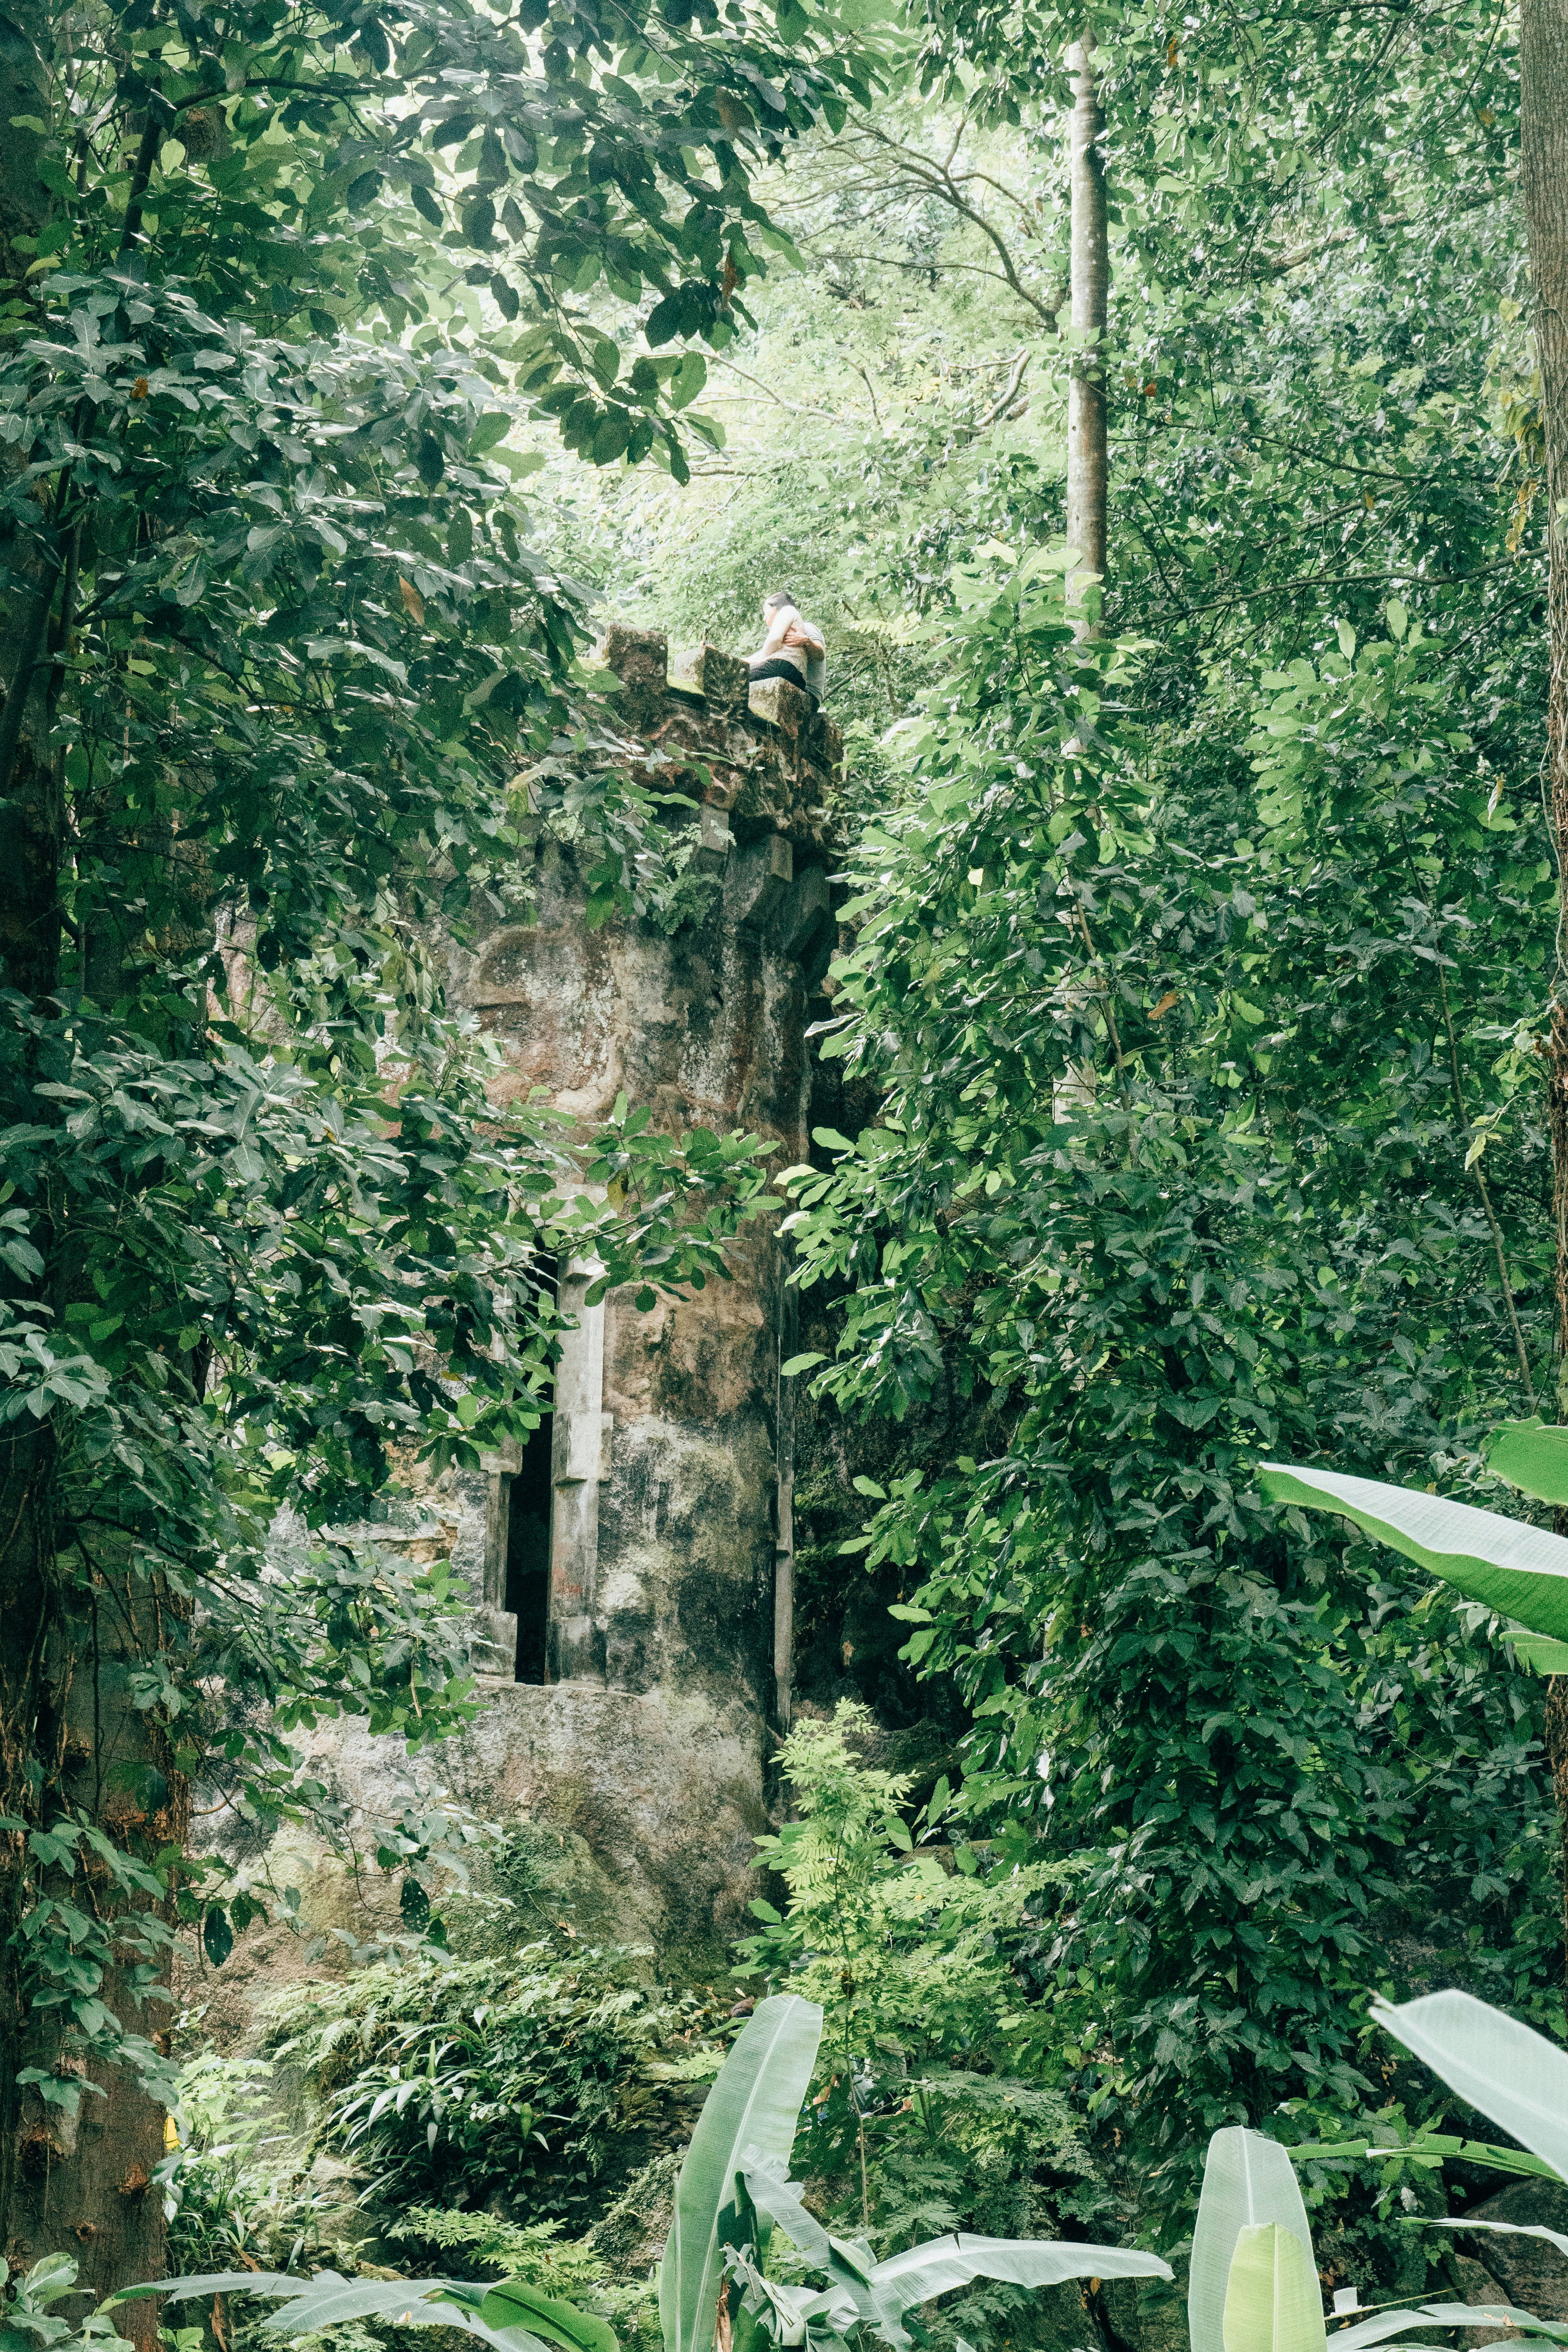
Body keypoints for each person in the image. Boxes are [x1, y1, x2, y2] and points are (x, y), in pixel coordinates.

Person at [747, 589, 826, 706]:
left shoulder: (806, 627)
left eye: (766, 612)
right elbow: (760, 656)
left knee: (739, 679)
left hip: (809, 693)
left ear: (777, 608)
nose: (764, 618)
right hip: (797, 680)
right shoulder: (785, 638)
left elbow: (820, 655)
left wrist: (807, 641)